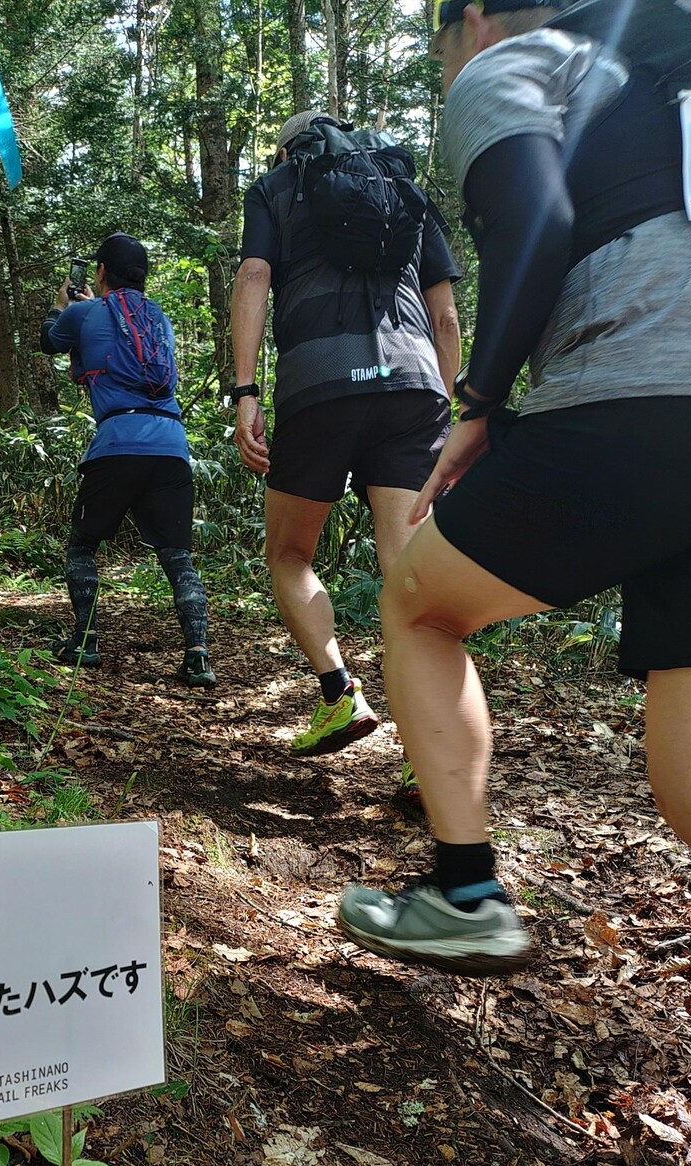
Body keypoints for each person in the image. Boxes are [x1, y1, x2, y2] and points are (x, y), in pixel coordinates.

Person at [337, 0, 691, 976]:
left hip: (639, 389)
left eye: (435, 46)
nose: (440, 66)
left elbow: (537, 223)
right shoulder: (687, 72)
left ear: (470, 20)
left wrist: (476, 404)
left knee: (417, 605)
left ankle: (464, 891)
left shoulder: (514, 67)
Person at [231, 112, 461, 763]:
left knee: (289, 554)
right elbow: (443, 315)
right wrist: (449, 414)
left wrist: (245, 390)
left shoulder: (278, 186)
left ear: (288, 150)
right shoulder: (402, 188)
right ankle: (433, 754)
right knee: (409, 570)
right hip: (414, 387)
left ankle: (339, 693)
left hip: (318, 385)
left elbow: (252, 278)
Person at [39, 232, 216, 686]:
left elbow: (49, 342)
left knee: (82, 546)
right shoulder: (161, 318)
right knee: (179, 558)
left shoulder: (84, 311)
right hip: (171, 446)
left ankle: (86, 639)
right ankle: (197, 655)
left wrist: (62, 305)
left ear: (100, 272)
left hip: (116, 443)